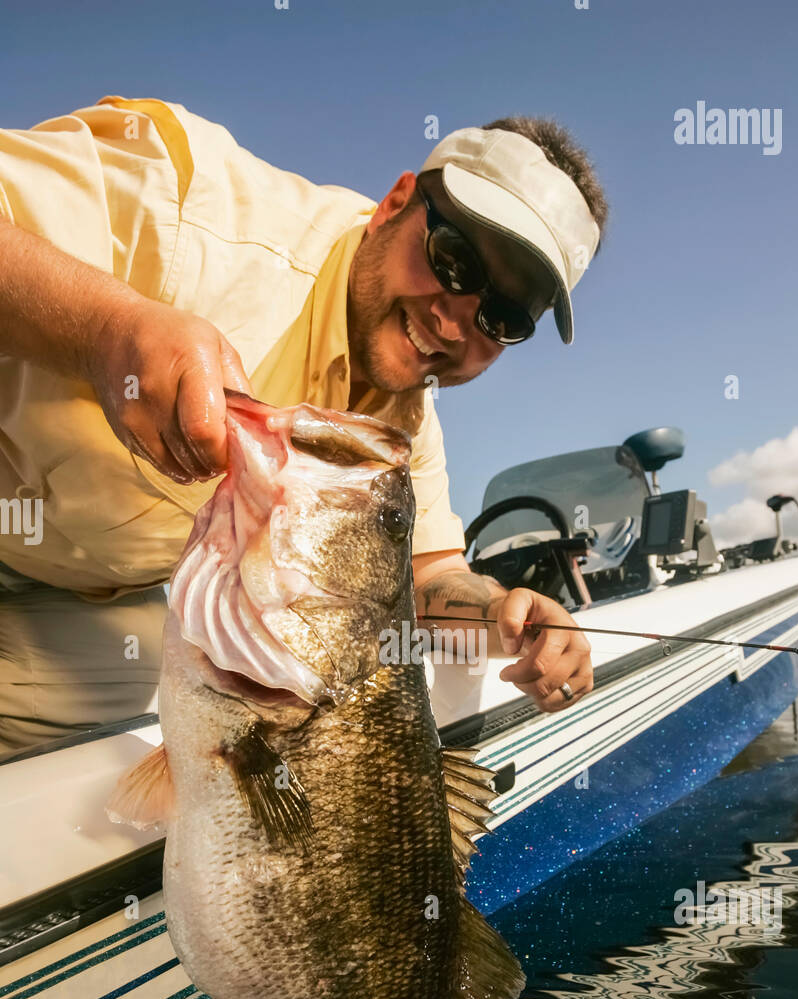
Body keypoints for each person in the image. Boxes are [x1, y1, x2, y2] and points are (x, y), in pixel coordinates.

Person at [0, 98, 608, 754]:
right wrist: (104, 326)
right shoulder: (186, 205)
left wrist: (501, 614)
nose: (455, 321)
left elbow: (429, 581)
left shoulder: (399, 431)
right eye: (455, 258)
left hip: (81, 595)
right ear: (395, 204)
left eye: (504, 316)